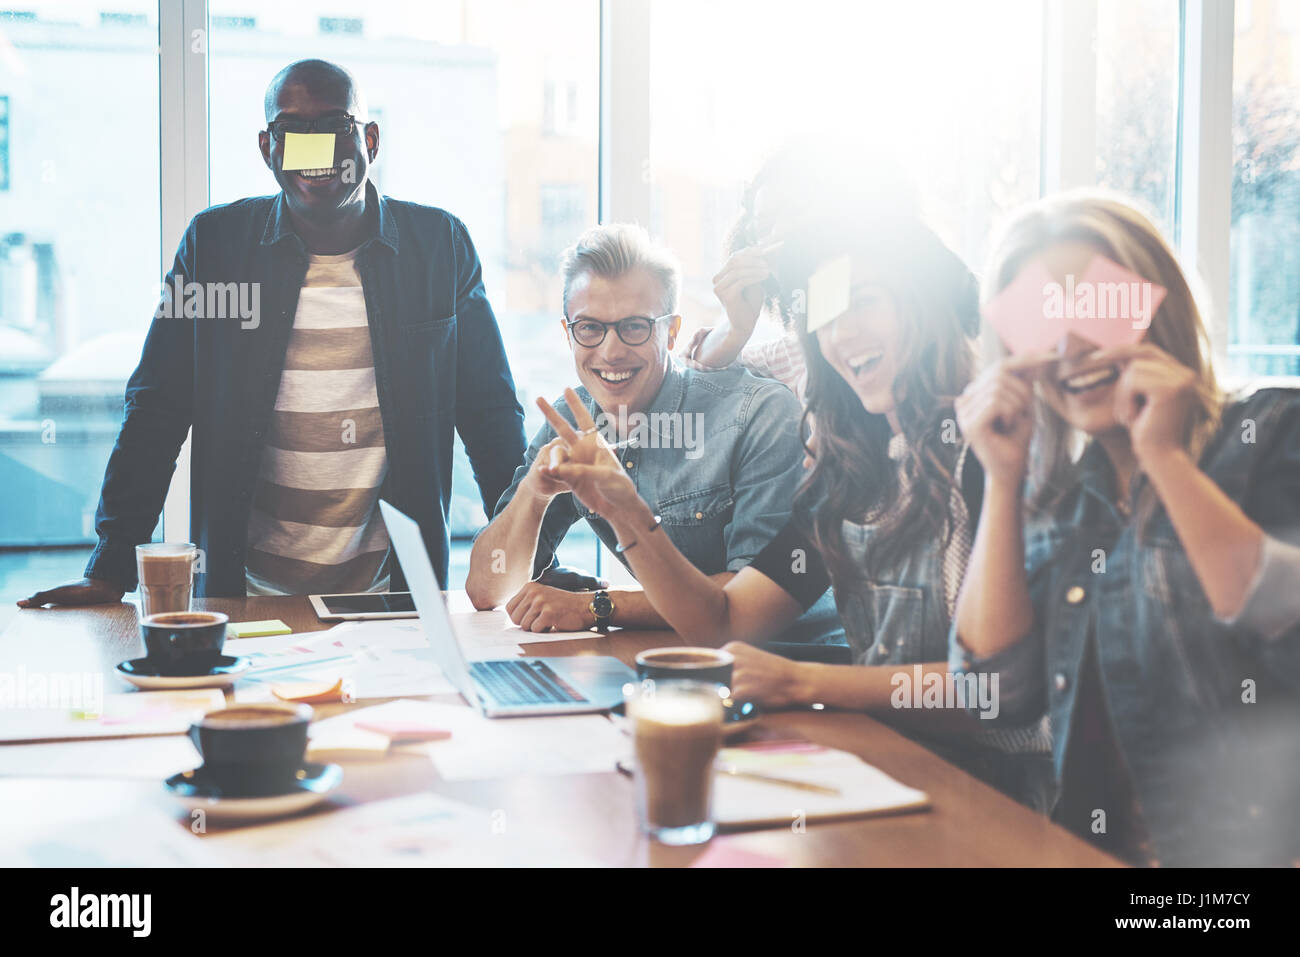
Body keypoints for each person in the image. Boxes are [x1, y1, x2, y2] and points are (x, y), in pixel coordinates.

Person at [532, 211, 1057, 811]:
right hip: (886, 766)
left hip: (1001, 796)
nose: (843, 335)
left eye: (866, 303)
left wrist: (805, 682)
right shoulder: (856, 472)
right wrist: (625, 511)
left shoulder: (995, 449)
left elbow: (994, 695)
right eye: (827, 318)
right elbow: (726, 622)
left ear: (927, 302)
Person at [19, 59, 525, 606]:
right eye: (294, 135)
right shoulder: (215, 247)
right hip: (245, 599)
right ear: (267, 149)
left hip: (396, 600)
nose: (318, 155)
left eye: (335, 130)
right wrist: (112, 567)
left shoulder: (440, 247)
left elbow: (490, 414)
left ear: (370, 140)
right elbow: (156, 409)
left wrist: (538, 564)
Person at [953, 191, 1300, 865]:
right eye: (1038, 321)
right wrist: (1002, 478)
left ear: (1157, 306)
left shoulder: (1272, 432)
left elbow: (1287, 625)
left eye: (1093, 309)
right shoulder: (1063, 504)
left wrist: (1165, 460)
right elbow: (992, 696)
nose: (1068, 343)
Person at [466, 224, 805, 632]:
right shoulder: (574, 418)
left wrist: (597, 606)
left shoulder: (758, 414)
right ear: (568, 334)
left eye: (634, 327)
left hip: (790, 663)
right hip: (668, 662)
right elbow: (487, 590)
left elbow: (749, 605)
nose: (611, 352)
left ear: (671, 332)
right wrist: (533, 495)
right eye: (590, 328)